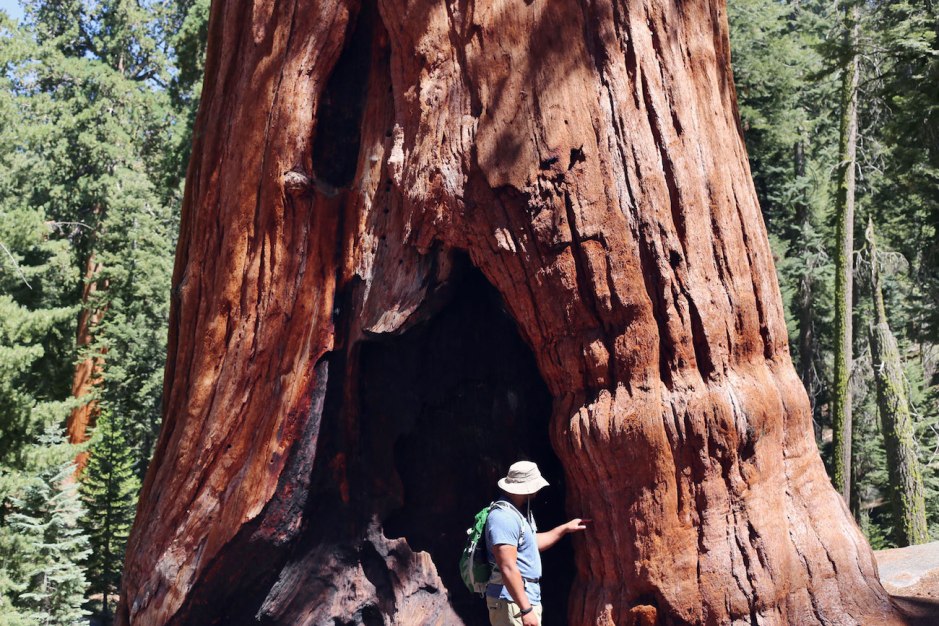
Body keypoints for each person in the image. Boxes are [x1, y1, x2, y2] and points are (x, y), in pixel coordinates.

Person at [485, 460, 589, 626]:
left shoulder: (518, 513)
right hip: (511, 603)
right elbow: (508, 567)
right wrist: (525, 610)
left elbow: (531, 545)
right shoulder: (503, 517)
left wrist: (564, 529)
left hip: (521, 600)